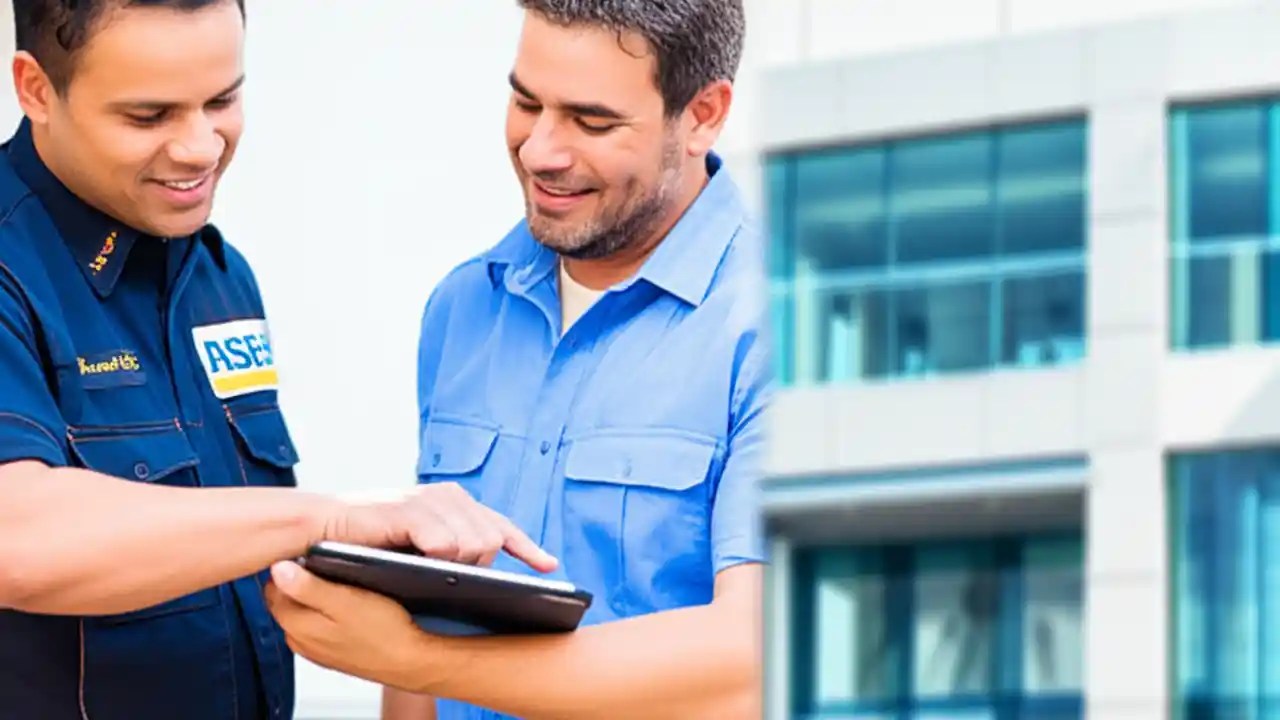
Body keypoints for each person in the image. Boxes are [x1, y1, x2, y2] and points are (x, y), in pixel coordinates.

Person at [0, 2, 555, 719]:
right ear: (35, 88)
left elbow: (228, 551)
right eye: (149, 116)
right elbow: (19, 537)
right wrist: (331, 518)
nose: (201, 147)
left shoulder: (215, 277)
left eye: (223, 100)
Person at [265, 1, 769, 718]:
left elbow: (750, 653)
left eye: (591, 122)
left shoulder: (783, 328)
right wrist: (407, 663)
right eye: (525, 101)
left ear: (703, 115)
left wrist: (411, 656)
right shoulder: (464, 308)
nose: (539, 150)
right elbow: (429, 597)